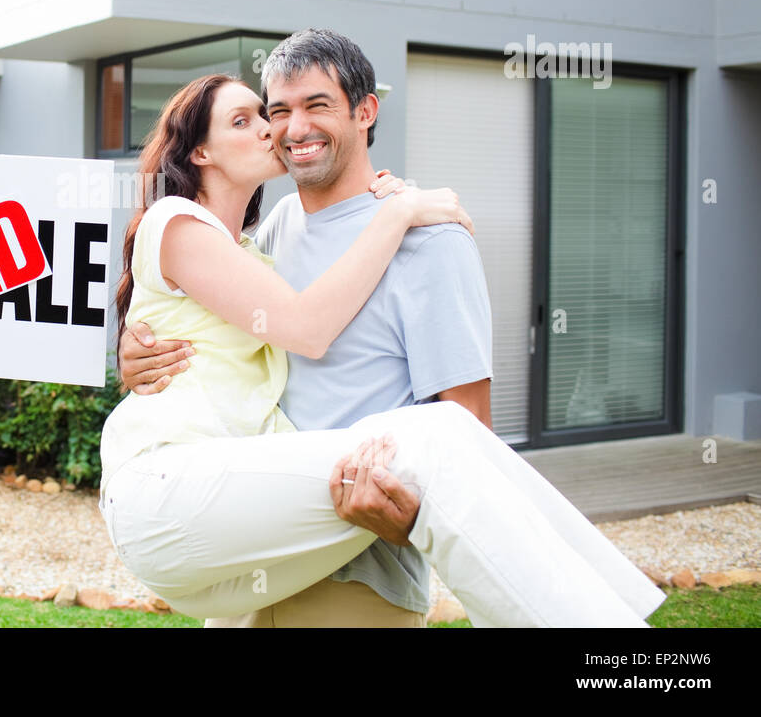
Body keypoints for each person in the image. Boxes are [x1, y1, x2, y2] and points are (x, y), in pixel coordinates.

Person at [101, 53, 666, 625]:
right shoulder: (230, 226)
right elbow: (301, 327)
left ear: (365, 111)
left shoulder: (393, 243)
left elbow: (476, 435)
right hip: (186, 491)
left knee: (451, 439)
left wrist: (412, 515)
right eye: (265, 115)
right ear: (200, 151)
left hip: (306, 558)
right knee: (440, 440)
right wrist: (395, 214)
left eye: (314, 105)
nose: (284, 129)